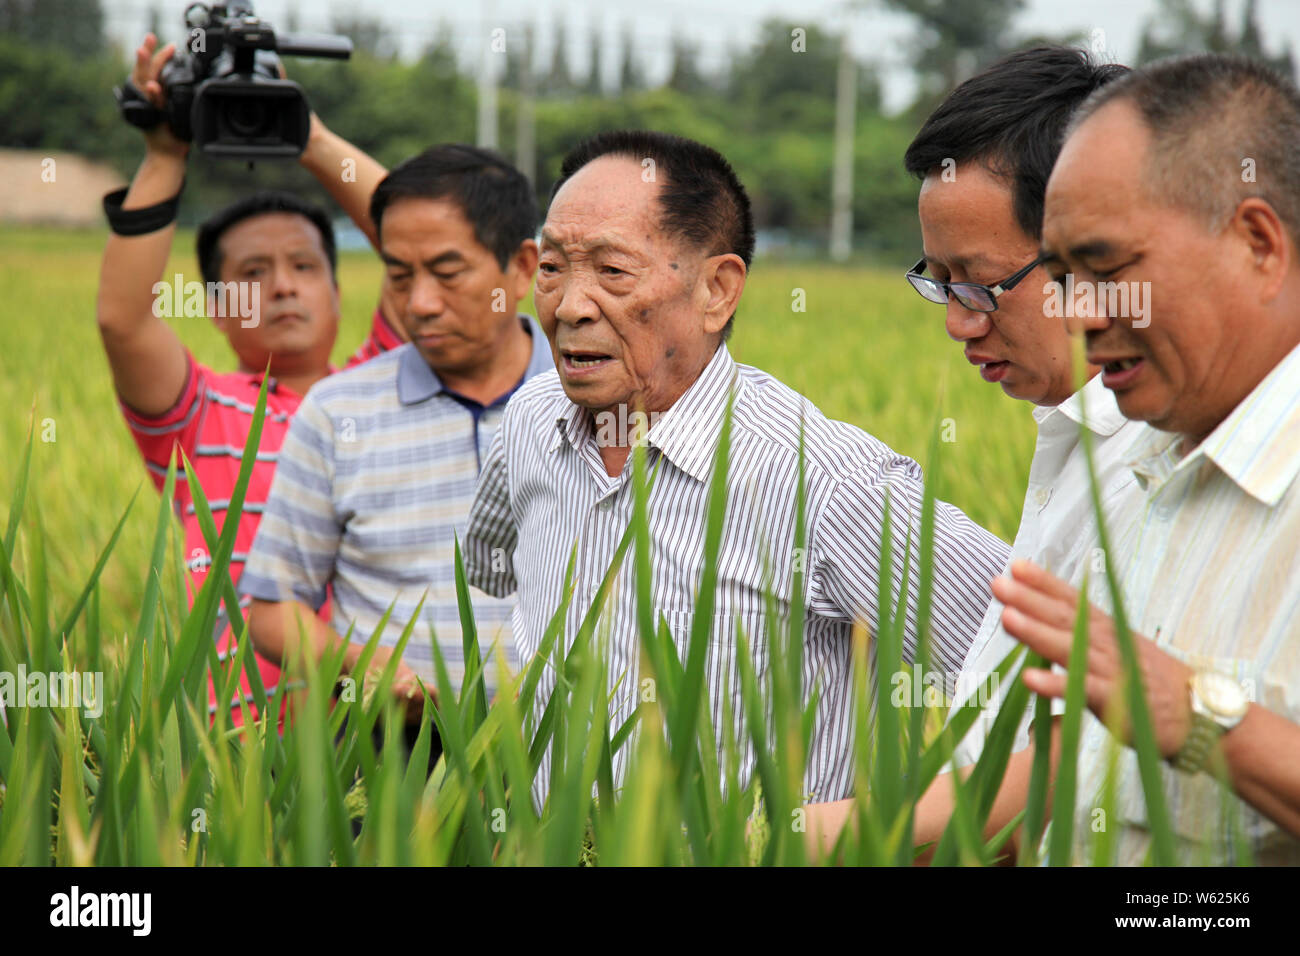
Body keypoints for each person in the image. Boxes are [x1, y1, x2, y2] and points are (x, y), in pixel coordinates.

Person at [463, 129, 1009, 806]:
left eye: (611, 271)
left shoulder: (826, 482)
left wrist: (862, 835)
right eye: (551, 269)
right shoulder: (530, 421)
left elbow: (1044, 688)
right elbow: (492, 567)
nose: (570, 306)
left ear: (717, 289)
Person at [804, 45, 1146, 856]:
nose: (959, 321)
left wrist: (802, 836)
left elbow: (1099, 756)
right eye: (938, 279)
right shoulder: (1074, 435)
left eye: (982, 284)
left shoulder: (1158, 458)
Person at [98, 34, 405, 728]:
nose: (283, 288)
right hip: (245, 746)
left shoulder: (387, 383)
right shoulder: (197, 413)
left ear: (335, 288)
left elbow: (421, 241)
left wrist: (310, 137)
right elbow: (123, 320)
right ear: (216, 307)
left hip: (392, 729)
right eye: (251, 275)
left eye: (303, 266)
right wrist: (165, 154)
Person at [241, 145, 551, 750]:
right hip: (389, 758)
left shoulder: (600, 404)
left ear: (521, 267)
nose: (420, 304)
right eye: (400, 275)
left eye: (448, 271)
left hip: (568, 755)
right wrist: (359, 663)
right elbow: (274, 609)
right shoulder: (337, 414)